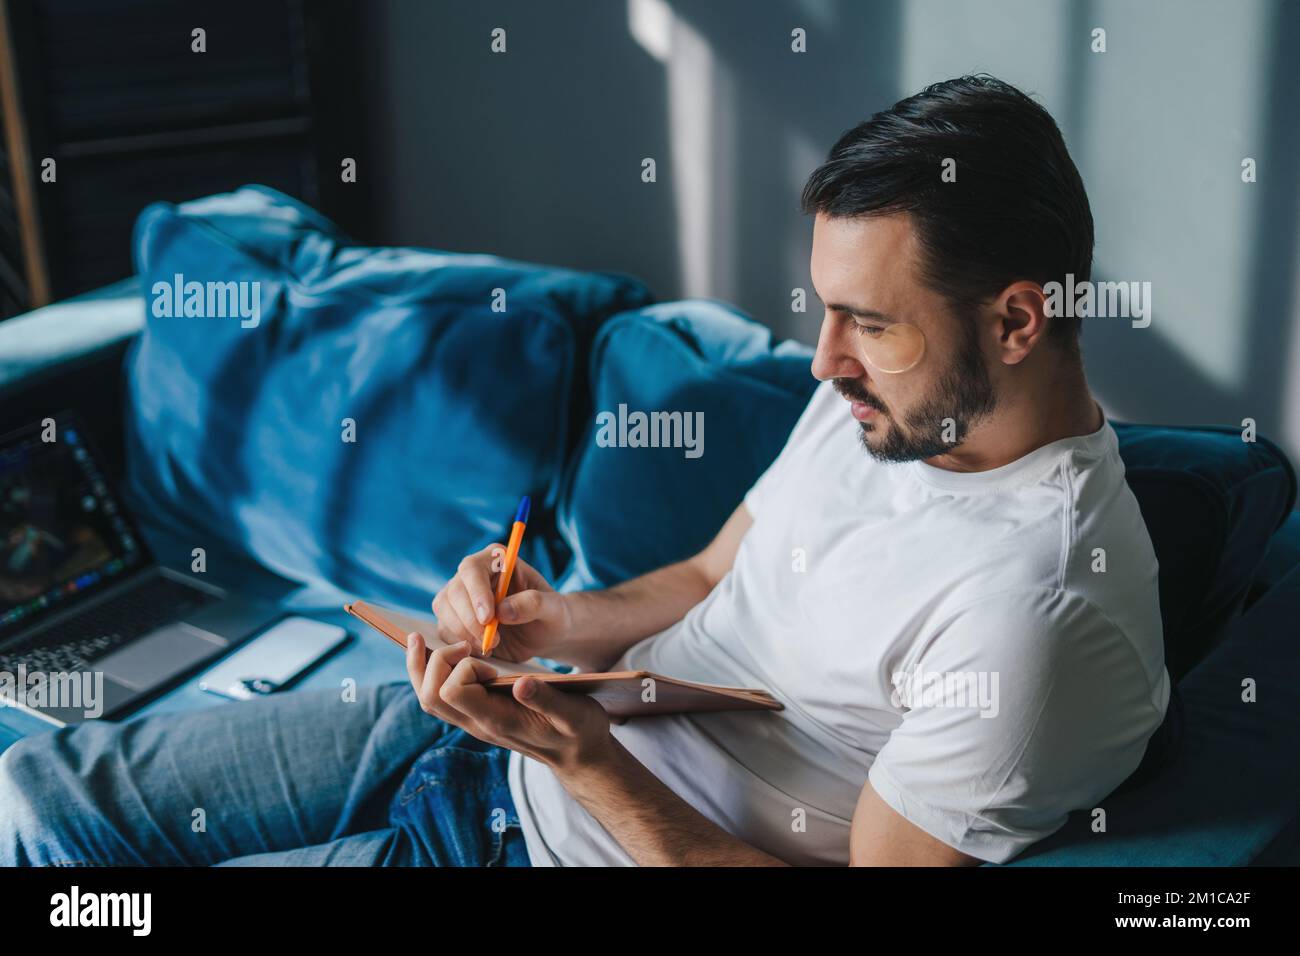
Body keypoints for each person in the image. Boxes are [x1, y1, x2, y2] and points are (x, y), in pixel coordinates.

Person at [0, 75, 1168, 867]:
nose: (823, 361)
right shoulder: (883, 408)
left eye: (867, 321)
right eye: (824, 312)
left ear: (1016, 321)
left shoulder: (1033, 616)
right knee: (40, 801)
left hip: (545, 833)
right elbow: (715, 570)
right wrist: (554, 616)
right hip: (496, 729)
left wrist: (591, 767)